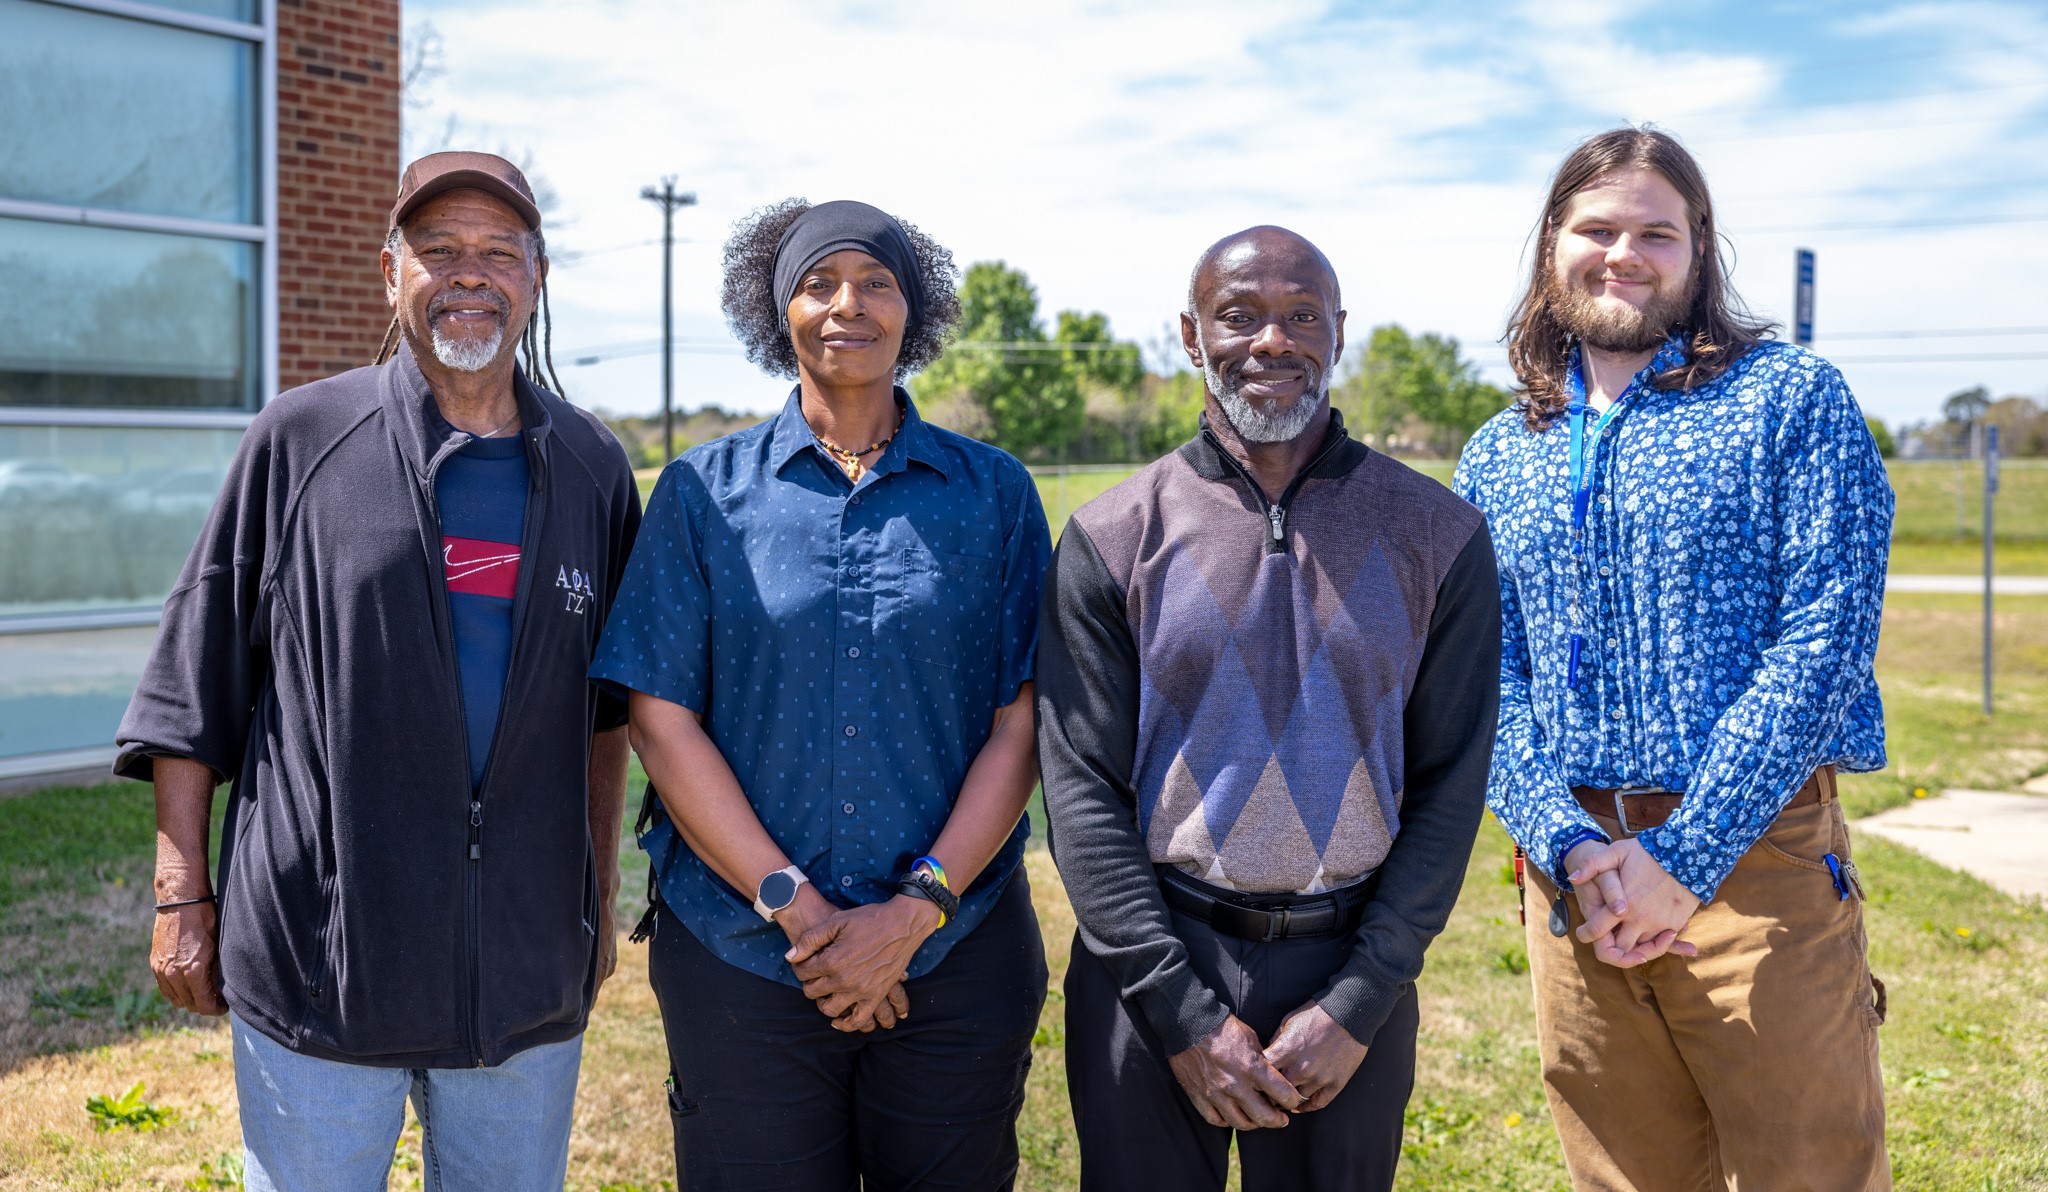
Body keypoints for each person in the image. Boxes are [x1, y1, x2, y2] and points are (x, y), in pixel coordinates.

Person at [118, 151, 640, 1191]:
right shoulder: (300, 440)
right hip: (323, 955)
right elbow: (193, 679)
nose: (468, 274)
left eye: (498, 252)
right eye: (437, 250)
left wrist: (595, 888)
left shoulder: (590, 466)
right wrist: (183, 896)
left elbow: (606, 714)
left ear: (535, 280)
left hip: (523, 967)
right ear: (388, 272)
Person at [1454, 126, 1894, 1191]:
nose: (1623, 253)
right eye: (1595, 228)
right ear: (1550, 241)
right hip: (1577, 878)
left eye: (1655, 231)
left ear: (1697, 248)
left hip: (1756, 861)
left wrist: (1684, 855)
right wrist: (1566, 845)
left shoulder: (1786, 400)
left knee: (1810, 1173)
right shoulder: (1497, 448)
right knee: (1622, 1176)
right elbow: (1480, 677)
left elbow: (1824, 639)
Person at [590, 198, 1051, 1191]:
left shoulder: (993, 492)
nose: (848, 304)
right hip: (744, 959)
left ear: (911, 312)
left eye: (876, 282)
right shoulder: (702, 493)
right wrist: (799, 911)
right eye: (818, 282)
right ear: (777, 310)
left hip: (953, 954)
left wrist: (912, 911)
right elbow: (660, 717)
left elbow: (1022, 717)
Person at [1036, 225, 1500, 1192]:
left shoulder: (1439, 535)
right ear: (1190, 334)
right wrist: (1179, 1013)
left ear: (1338, 330)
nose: (1272, 342)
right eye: (1239, 317)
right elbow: (1079, 788)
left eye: (1300, 317)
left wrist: (1365, 998)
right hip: (1154, 963)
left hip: (1349, 970)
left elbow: (1454, 781)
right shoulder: (1114, 535)